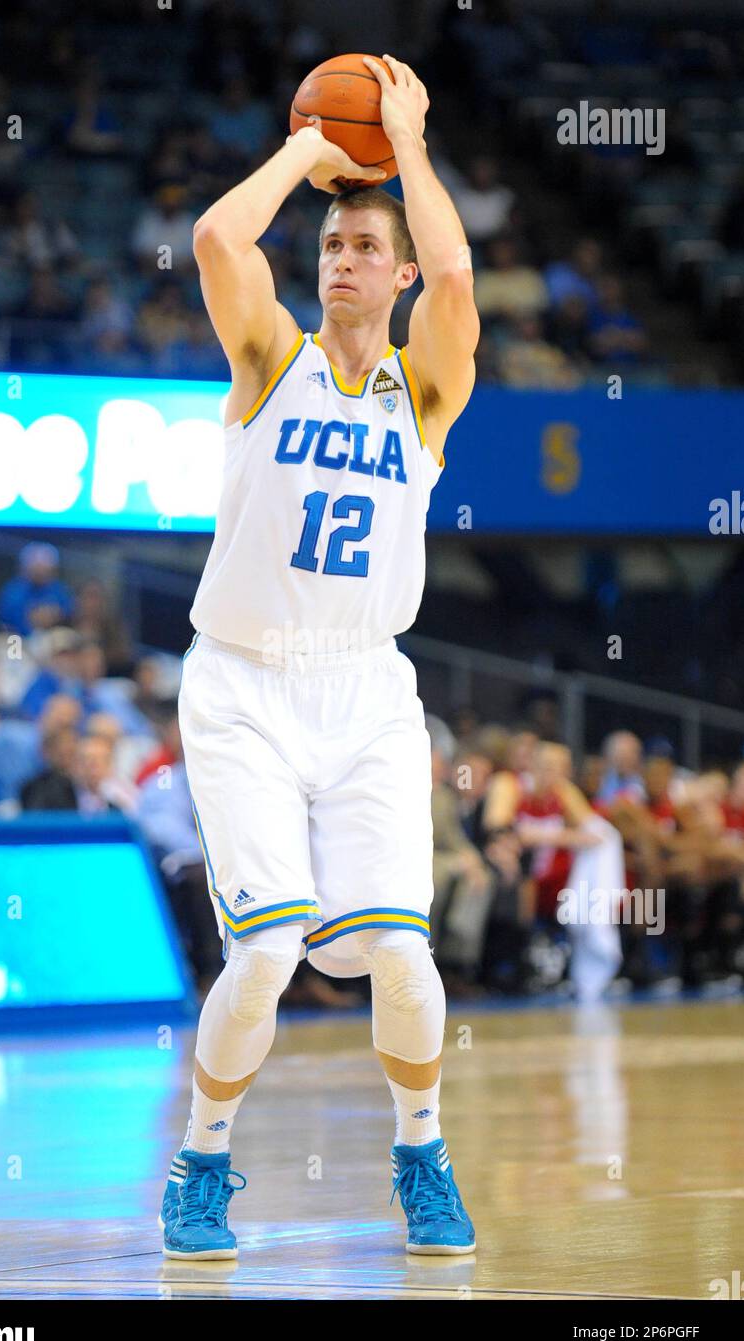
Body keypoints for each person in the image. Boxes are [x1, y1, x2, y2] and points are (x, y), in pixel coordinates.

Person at [159, 55, 479, 1261]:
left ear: (392, 275)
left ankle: (420, 1149)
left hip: (364, 689)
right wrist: (310, 147)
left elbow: (453, 271)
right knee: (270, 950)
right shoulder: (271, 359)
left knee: (400, 954)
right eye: (329, 245)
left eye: (362, 246)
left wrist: (406, 146)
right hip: (241, 682)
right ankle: (202, 1160)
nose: (339, 259)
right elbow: (212, 238)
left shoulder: (424, 388)